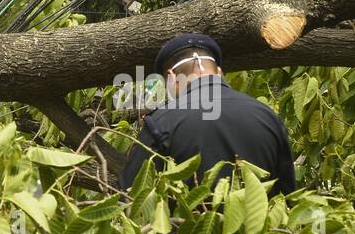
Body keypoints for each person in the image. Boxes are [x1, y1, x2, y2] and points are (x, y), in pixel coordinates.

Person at [120, 33, 296, 194]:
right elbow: (288, 194)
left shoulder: (160, 122)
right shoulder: (267, 115)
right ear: (219, 72)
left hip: (191, 228)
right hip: (259, 227)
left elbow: (132, 195)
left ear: (172, 77)